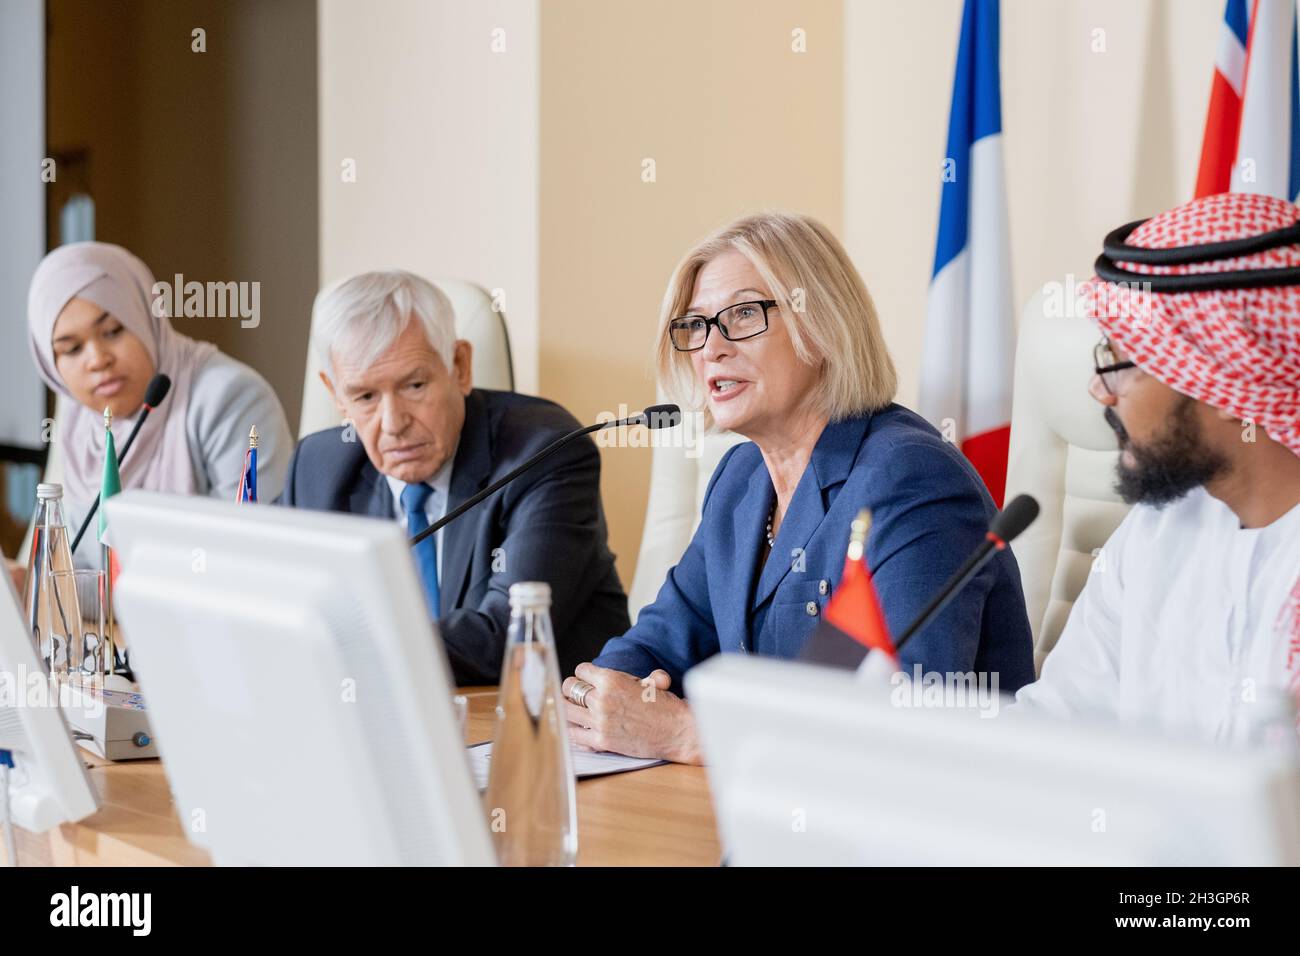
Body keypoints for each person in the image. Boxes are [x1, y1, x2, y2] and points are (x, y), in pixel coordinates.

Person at [562, 212, 1035, 763]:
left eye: (741, 314)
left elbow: (909, 723)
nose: (710, 348)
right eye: (694, 325)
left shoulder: (912, 479)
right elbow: (659, 644)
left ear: (822, 325)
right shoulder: (740, 481)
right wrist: (597, 701)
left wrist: (688, 735)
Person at [1015, 192, 1300, 744]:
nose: (1100, 392)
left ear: (1224, 382)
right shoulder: (1152, 532)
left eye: (1122, 366)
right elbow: (1054, 730)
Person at [276, 270, 630, 684]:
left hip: (535, 725)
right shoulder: (318, 467)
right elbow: (270, 597)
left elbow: (506, 636)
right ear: (335, 394)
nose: (393, 424)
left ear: (460, 366)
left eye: (414, 385)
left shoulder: (545, 453)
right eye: (365, 396)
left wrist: (345, 647)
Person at [25, 241, 291, 568]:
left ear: (144, 314)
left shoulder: (231, 397)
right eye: (71, 349)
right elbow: (82, 569)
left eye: (112, 330)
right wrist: (31, 586)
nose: (97, 359)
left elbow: (250, 558)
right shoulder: (80, 419)